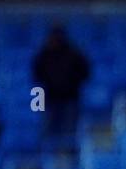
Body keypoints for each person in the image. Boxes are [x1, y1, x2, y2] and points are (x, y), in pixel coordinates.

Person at [31, 25, 90, 153]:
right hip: (50, 100)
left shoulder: (74, 55)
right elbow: (37, 77)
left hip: (70, 99)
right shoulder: (44, 55)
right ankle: (47, 158)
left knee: (69, 132)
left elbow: (85, 73)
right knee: (48, 132)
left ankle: (67, 158)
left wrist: (71, 84)